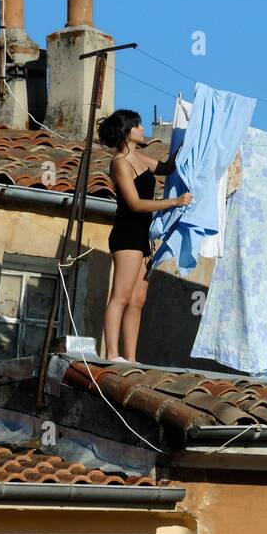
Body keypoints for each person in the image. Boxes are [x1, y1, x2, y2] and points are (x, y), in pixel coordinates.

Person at [98, 109, 192, 361]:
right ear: (128, 132)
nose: (142, 129)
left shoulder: (140, 158)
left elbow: (169, 167)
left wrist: (191, 136)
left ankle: (130, 357)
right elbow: (135, 204)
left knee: (137, 299)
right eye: (137, 126)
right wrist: (173, 202)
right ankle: (111, 354)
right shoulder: (120, 163)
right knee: (121, 295)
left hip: (143, 237)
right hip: (127, 234)